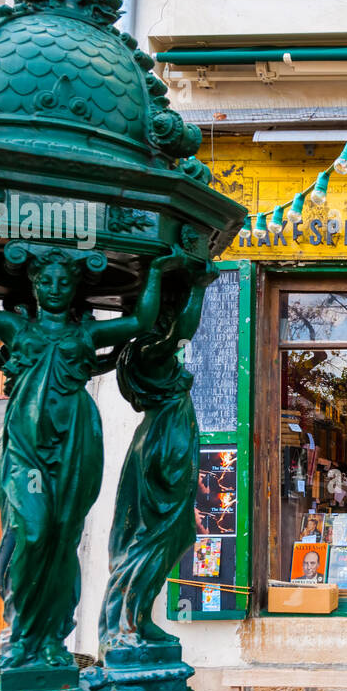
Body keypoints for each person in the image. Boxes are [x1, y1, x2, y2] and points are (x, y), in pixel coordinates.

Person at [0, 214, 183, 668]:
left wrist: (160, 273)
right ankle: (22, 628)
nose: (53, 287)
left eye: (63, 280)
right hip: (26, 447)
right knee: (32, 528)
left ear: (71, 287)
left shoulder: (86, 334)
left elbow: (143, 318)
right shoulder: (18, 331)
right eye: (45, 279)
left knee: (63, 535)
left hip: (76, 444)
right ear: (35, 283)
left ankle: (51, 634)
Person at [100, 258, 217, 653]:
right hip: (165, 446)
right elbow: (184, 330)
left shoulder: (148, 354)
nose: (172, 321)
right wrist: (199, 287)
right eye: (164, 313)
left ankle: (139, 617)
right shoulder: (150, 350)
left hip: (167, 440)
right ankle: (125, 623)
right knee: (153, 536)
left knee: (176, 532)